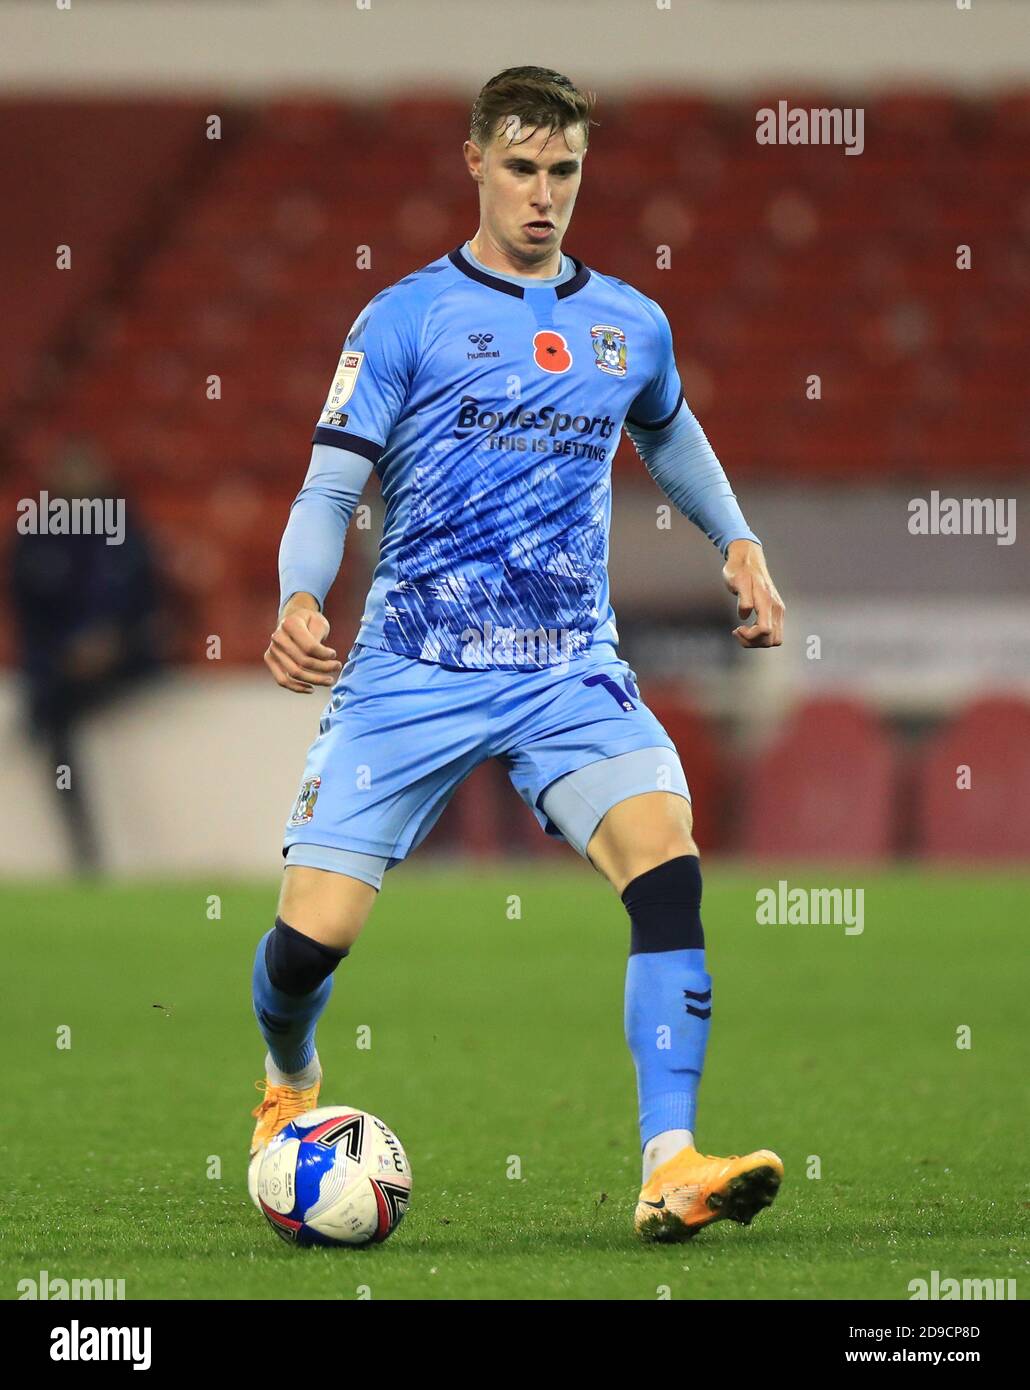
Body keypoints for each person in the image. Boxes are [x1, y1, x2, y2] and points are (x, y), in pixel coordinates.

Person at [250, 67, 787, 1241]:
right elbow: (330, 485)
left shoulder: (628, 324)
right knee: (309, 942)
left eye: (564, 172)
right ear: (474, 163)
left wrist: (737, 543)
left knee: (667, 863)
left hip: (564, 670)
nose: (544, 195)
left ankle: (670, 1158)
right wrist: (299, 593)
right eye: (521, 168)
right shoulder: (404, 316)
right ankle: (288, 1076)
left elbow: (672, 430)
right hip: (410, 668)